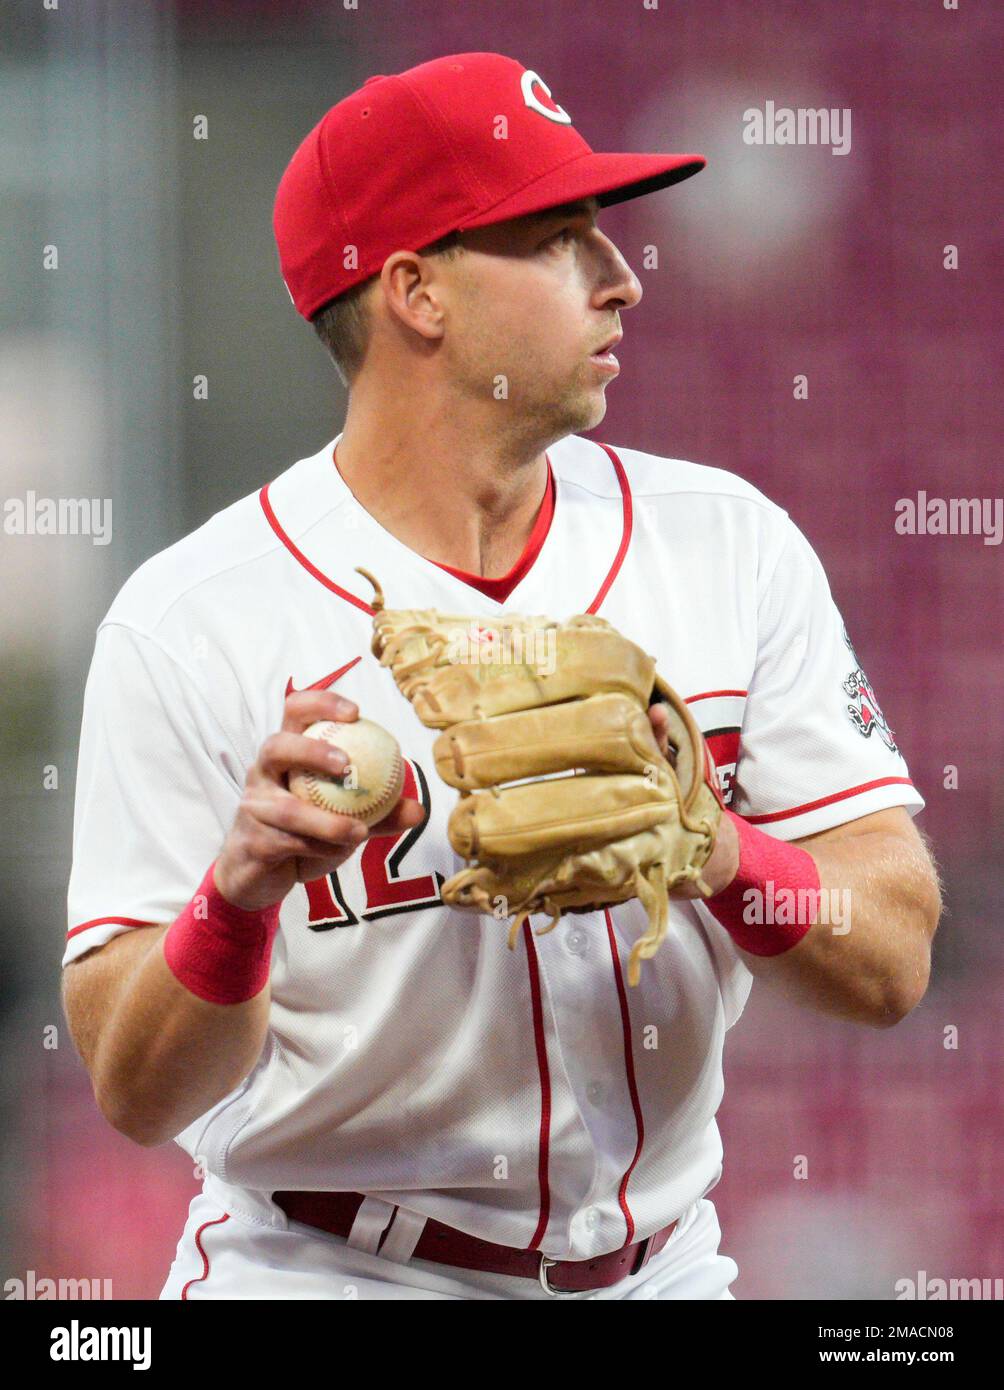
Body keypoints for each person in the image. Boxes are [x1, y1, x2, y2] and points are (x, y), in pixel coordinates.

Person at [62, 52, 941, 1300]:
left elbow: (890, 958)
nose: (622, 278)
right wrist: (240, 894)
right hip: (330, 1271)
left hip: (664, 1270)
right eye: (559, 238)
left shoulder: (726, 543)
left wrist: (716, 849)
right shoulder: (192, 619)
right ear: (417, 292)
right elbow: (137, 1092)